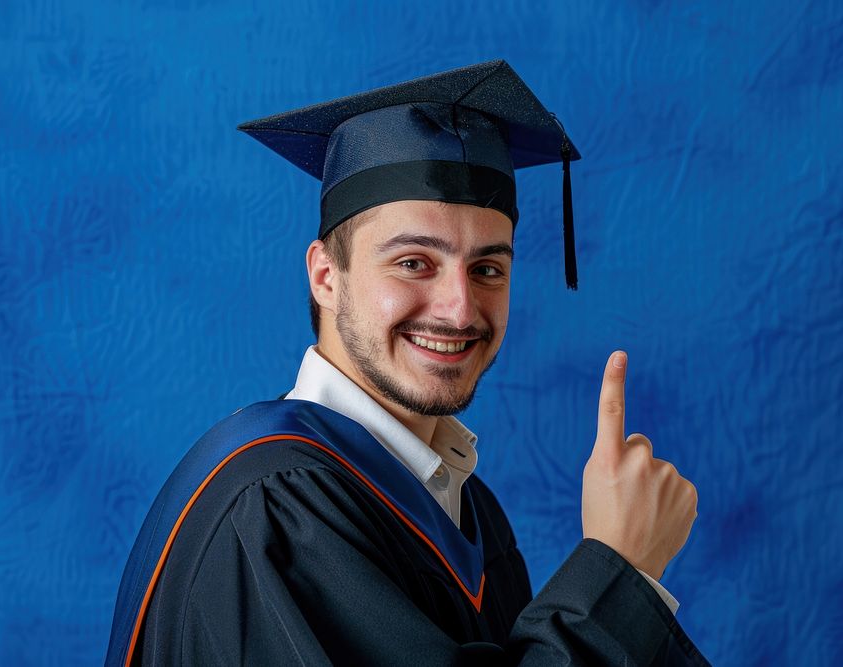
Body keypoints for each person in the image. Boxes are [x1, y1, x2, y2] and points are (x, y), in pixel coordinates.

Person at [105, 60, 709, 666]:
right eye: (413, 262)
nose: (460, 309)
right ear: (326, 277)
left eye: (488, 269)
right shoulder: (278, 508)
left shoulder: (468, 511)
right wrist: (622, 573)